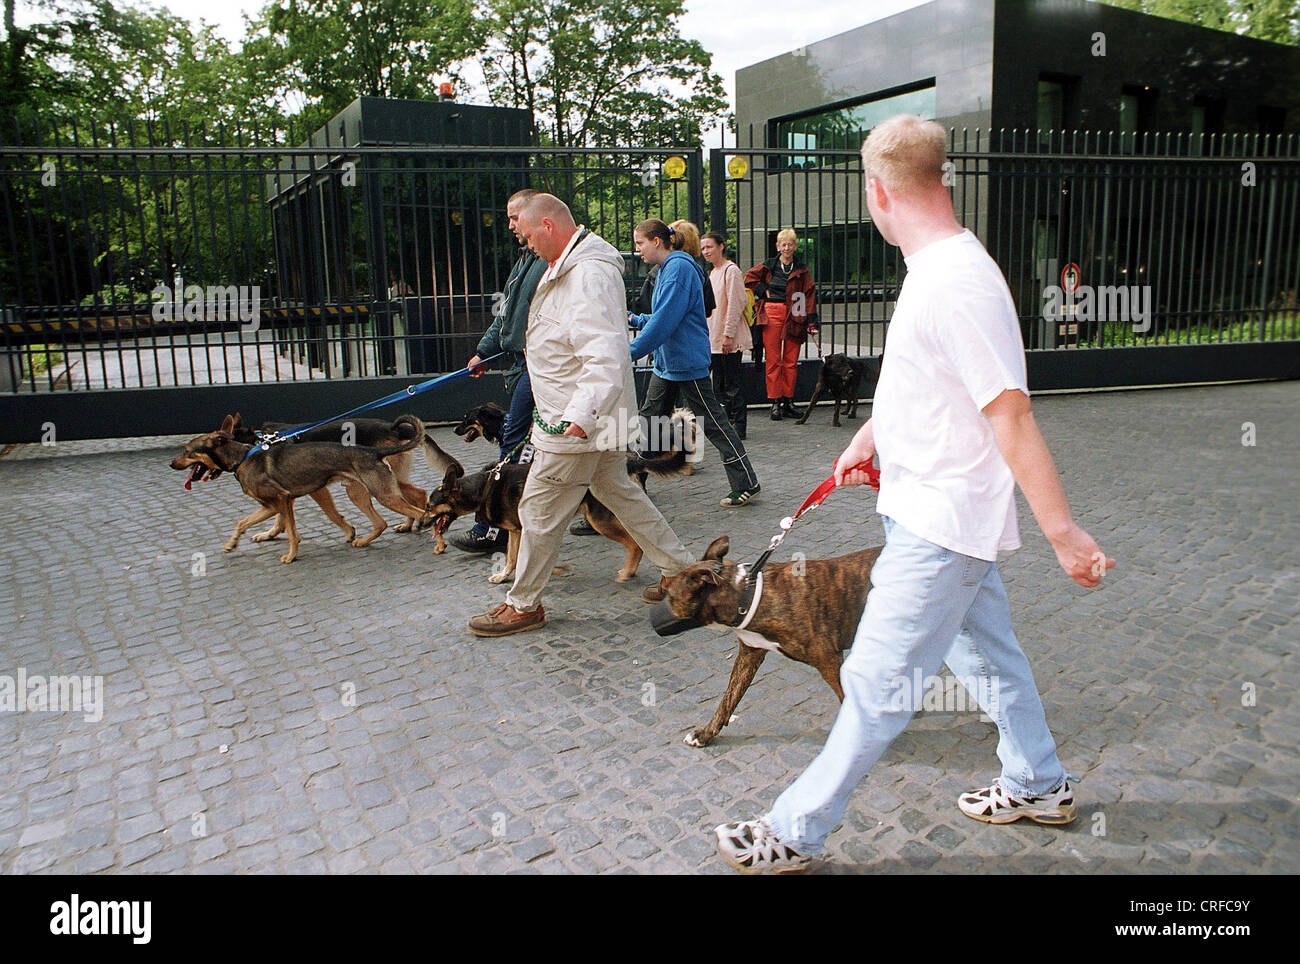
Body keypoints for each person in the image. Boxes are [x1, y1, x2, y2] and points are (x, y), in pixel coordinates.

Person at [713, 114, 1116, 873]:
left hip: (943, 525)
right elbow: (935, 384)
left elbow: (1010, 412)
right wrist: (874, 437)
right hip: (932, 515)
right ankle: (1039, 782)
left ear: (876, 190)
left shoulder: (956, 281)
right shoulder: (935, 269)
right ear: (942, 179)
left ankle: (794, 830)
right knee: (991, 659)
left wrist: (1063, 531)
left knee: (874, 681)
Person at [467, 195, 696, 636]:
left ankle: (524, 604)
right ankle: (680, 570)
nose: (523, 238)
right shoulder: (567, 265)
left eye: (528, 231)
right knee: (621, 494)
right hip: (588, 418)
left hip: (579, 423)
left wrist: (580, 414)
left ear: (549, 225)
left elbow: (605, 353)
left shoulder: (587, 272)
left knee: (537, 508)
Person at [629, 219, 761, 508]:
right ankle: (629, 487)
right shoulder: (669, 268)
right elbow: (667, 317)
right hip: (669, 363)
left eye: (639, 243)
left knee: (714, 423)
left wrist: (629, 352)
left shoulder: (677, 269)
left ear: (656, 241)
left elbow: (666, 322)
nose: (636, 249)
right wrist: (636, 320)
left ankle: (746, 482)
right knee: (650, 422)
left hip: (685, 364)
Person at [452, 188, 546, 554]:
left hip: (536, 367)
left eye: (513, 217)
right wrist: (483, 352)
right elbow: (507, 314)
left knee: (513, 440)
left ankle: (493, 527)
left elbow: (522, 321)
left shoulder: (543, 260)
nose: (509, 225)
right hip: (522, 364)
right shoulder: (525, 259)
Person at [745, 229, 818, 421]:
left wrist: (811, 320)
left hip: (795, 313)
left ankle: (788, 401)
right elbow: (749, 278)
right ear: (778, 246)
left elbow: (809, 294)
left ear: (795, 246)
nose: (786, 247)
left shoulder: (802, 269)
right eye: (783, 244)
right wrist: (762, 289)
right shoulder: (769, 266)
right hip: (772, 312)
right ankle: (775, 402)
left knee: (791, 361)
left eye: (790, 244)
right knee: (773, 360)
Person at [701, 231, 751, 439]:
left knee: (732, 382)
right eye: (703, 248)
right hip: (714, 336)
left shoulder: (731, 271)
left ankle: (739, 424)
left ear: (721, 246)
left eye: (709, 247)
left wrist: (728, 335)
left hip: (727, 337)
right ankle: (725, 422)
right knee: (718, 384)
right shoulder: (713, 272)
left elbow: (735, 304)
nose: (706, 252)